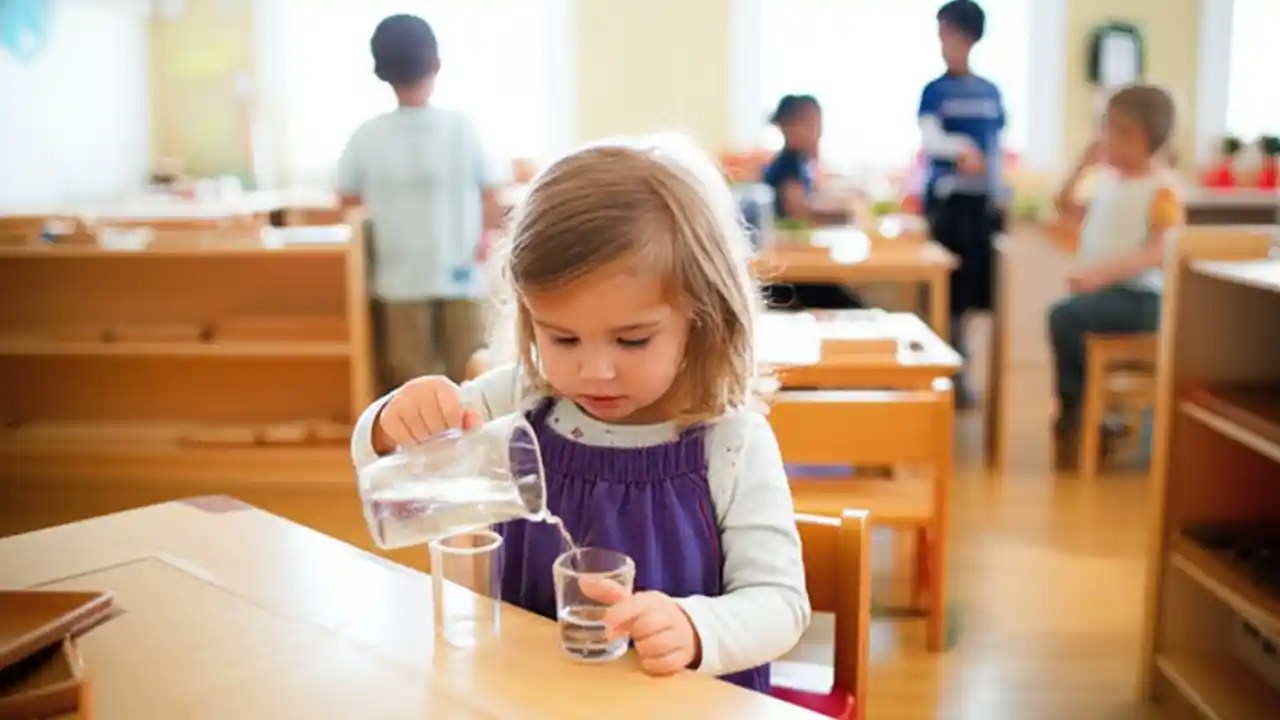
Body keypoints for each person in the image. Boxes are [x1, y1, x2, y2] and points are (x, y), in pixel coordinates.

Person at [351, 137, 809, 692]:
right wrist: (392, 422)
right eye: (562, 337)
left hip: (679, 700)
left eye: (632, 340)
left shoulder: (731, 442)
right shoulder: (519, 401)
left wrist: (694, 626)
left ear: (703, 317)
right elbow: (395, 473)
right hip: (535, 696)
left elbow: (781, 603)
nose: (595, 371)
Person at [338, 14, 505, 390]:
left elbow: (348, 201)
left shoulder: (366, 137)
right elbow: (492, 200)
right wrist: (482, 239)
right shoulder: (463, 129)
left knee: (410, 384)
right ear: (436, 63)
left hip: (399, 279)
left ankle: (417, 449)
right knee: (474, 377)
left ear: (379, 70)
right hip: (461, 273)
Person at [1049, 84, 1181, 470]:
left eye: (1109, 129)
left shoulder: (1161, 190)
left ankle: (1080, 408)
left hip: (1143, 300)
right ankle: (1090, 410)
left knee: (1066, 317)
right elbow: (1062, 204)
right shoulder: (1111, 184)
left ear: (1136, 136)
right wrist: (1082, 164)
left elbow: (1161, 251)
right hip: (1113, 297)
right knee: (1070, 315)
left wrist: (1099, 276)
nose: (1102, 138)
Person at [918, 0, 1006, 407]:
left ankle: (963, 371)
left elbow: (996, 150)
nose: (942, 42)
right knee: (944, 294)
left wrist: (1000, 193)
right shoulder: (935, 92)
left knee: (973, 296)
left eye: (947, 33)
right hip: (947, 205)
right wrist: (961, 150)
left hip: (981, 206)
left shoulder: (990, 93)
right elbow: (931, 140)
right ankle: (944, 376)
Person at [760, 94, 862, 309]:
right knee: (850, 307)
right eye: (811, 125)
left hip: (794, 258)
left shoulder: (800, 162)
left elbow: (813, 196)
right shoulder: (788, 166)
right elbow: (798, 210)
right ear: (788, 127)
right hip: (789, 268)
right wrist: (843, 215)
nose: (818, 133)